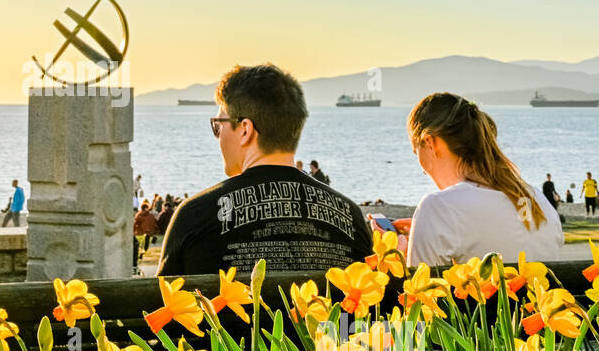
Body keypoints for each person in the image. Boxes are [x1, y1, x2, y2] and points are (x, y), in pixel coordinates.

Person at [158, 64, 372, 276]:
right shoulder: (351, 217)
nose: (218, 136)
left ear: (245, 130)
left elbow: (162, 304)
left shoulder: (194, 216)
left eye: (218, 126)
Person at [406, 93, 563, 267]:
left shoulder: (438, 208)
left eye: (416, 151)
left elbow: (420, 292)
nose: (422, 169)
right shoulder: (539, 201)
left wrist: (403, 252)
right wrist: (423, 237)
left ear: (431, 142)